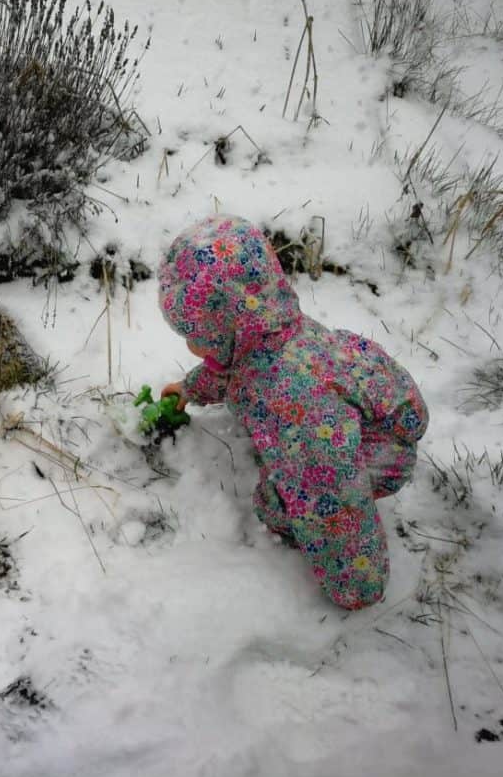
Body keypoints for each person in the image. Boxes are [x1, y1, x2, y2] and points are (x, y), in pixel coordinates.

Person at [158, 215, 428, 609]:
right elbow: (231, 367)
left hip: (372, 453)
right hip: (360, 410)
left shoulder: (289, 405)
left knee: (278, 501)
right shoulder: (269, 326)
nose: (191, 345)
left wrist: (355, 582)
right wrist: (190, 389)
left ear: (228, 325)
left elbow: (330, 494)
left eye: (193, 335)